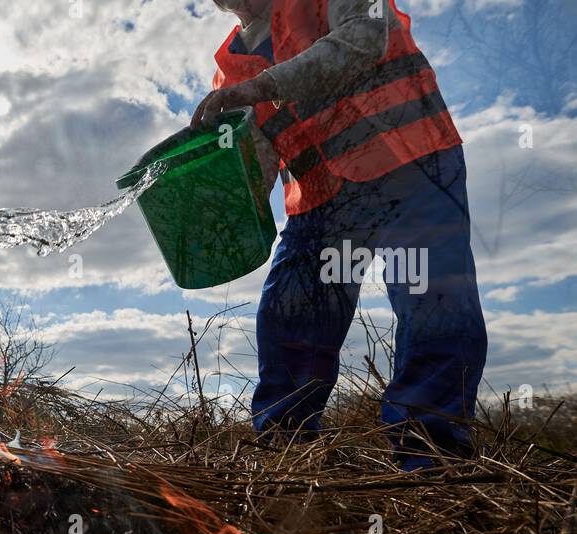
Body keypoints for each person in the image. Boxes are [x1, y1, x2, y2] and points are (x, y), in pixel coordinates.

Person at [191, 0, 487, 470]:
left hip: (408, 163)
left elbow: (363, 40)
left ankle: (431, 455)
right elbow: (261, 161)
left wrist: (263, 86)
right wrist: (222, 209)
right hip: (322, 199)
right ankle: (287, 455)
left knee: (432, 301)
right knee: (292, 313)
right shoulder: (231, 71)